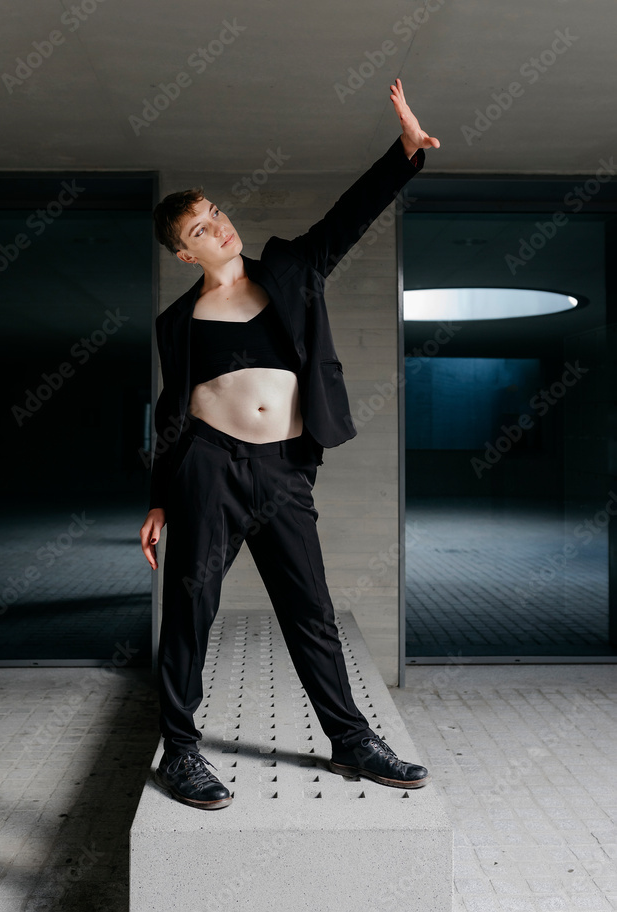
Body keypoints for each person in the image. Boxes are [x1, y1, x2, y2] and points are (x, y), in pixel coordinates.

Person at [140, 79, 440, 810]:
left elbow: (350, 216)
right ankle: (181, 752)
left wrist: (404, 152)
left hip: (280, 471)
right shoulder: (178, 324)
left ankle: (351, 739)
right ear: (184, 254)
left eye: (214, 213)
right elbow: (170, 414)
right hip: (206, 469)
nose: (217, 228)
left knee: (310, 608)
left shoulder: (291, 271)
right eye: (200, 230)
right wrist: (158, 500)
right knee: (190, 608)